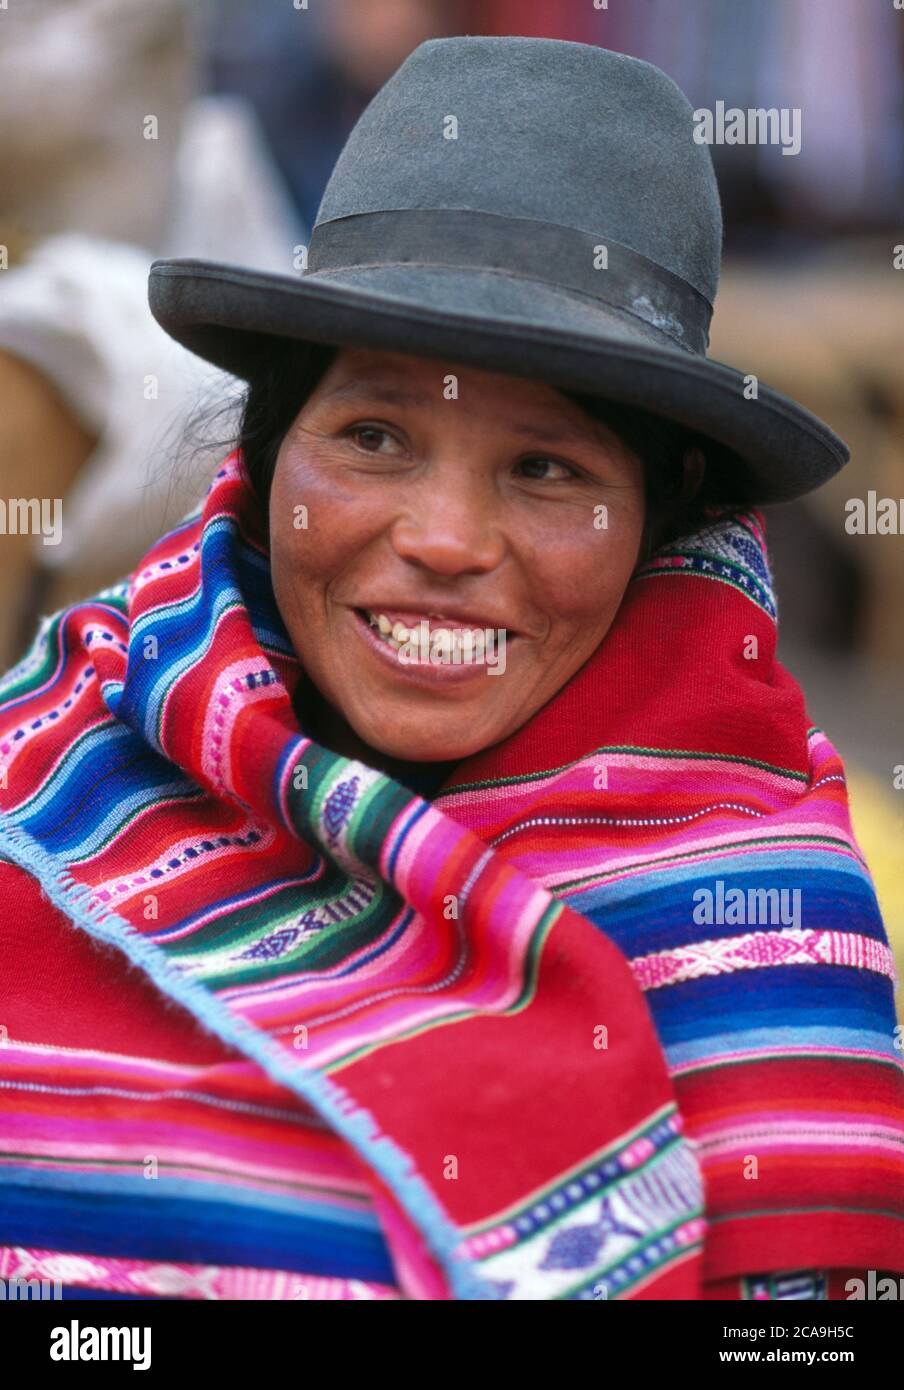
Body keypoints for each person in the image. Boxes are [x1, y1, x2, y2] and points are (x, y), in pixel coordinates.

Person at [0, 37, 901, 1302]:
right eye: (372, 436)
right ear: (264, 468)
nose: (442, 541)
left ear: (660, 518)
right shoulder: (55, 786)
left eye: (547, 470)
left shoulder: (756, 920)